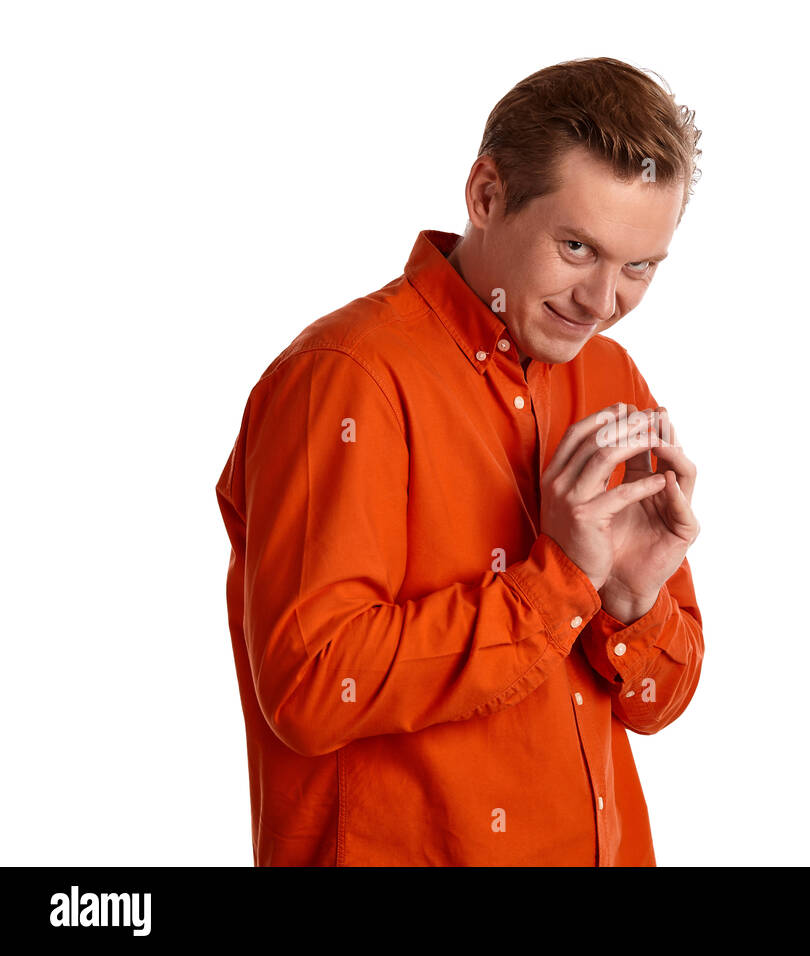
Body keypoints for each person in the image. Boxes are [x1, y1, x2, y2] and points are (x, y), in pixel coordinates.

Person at [213, 57, 704, 866]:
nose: (602, 301)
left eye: (639, 266)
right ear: (485, 196)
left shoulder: (612, 377)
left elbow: (658, 704)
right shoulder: (345, 378)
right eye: (576, 247)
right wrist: (558, 584)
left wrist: (632, 600)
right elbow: (311, 685)